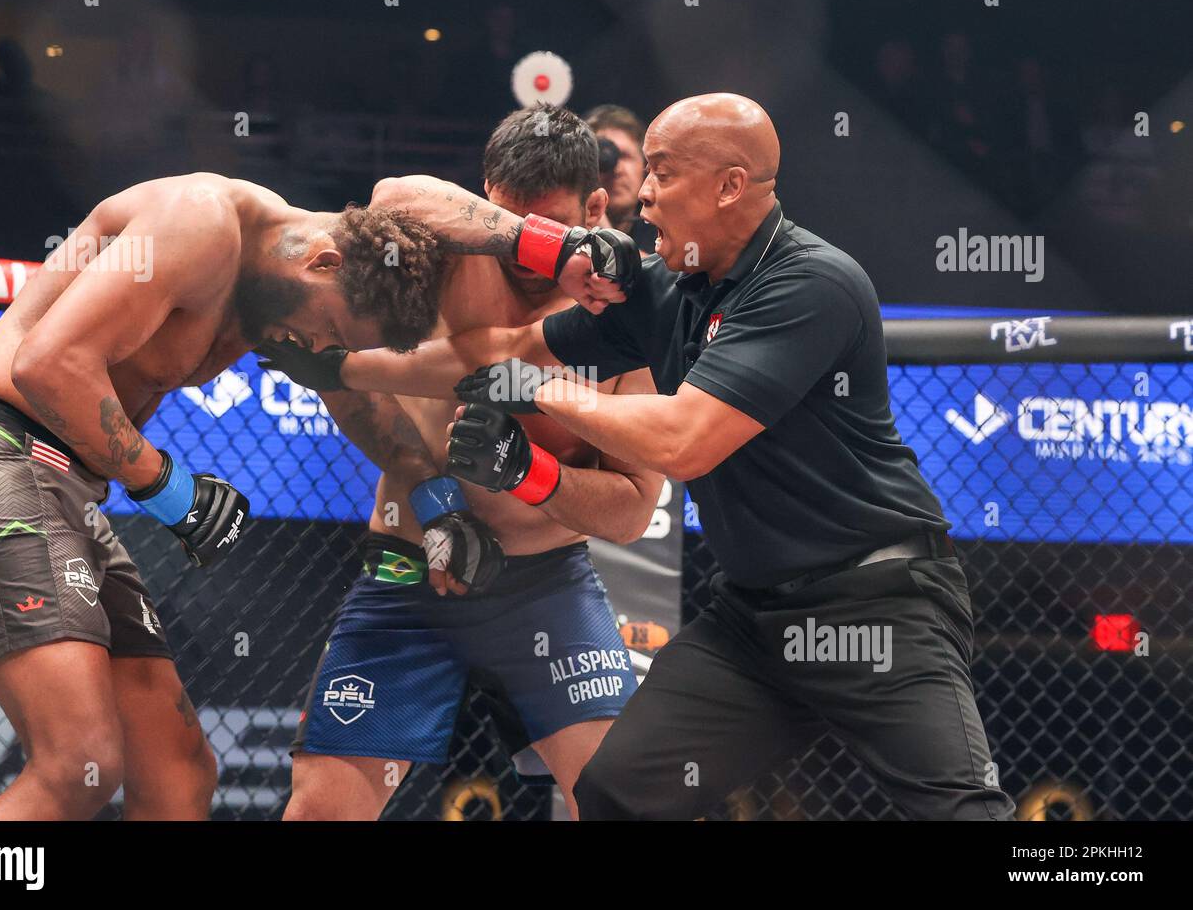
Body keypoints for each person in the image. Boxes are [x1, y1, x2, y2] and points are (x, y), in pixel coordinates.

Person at [323, 93, 1017, 820]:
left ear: (730, 185)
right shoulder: (663, 289)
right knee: (617, 794)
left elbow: (682, 440)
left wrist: (539, 392)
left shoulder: (812, 283)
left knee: (963, 814)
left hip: (877, 606)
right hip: (753, 620)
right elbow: (506, 349)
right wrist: (344, 368)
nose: (644, 191)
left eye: (663, 171)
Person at [0, 169, 628, 820]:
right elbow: (47, 365)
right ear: (324, 261)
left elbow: (358, 402)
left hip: (67, 487)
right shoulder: (200, 223)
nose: (312, 351)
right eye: (327, 331)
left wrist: (438, 505)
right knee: (77, 765)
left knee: (180, 775)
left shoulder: (281, 303)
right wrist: (166, 487)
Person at [264, 106, 662, 820]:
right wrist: (541, 241)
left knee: (622, 803)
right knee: (321, 811)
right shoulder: (455, 250)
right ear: (487, 201)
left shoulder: (630, 306)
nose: (526, 264)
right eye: (514, 228)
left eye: (554, 225)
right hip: (409, 573)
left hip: (546, 587)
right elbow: (391, 195)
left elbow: (633, 511)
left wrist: (530, 473)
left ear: (596, 207)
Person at [585, 104, 657, 253]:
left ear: (645, 166)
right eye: (604, 157)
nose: (617, 170)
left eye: (625, 156)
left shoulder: (663, 227)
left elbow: (661, 268)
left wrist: (603, 230)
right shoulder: (567, 223)